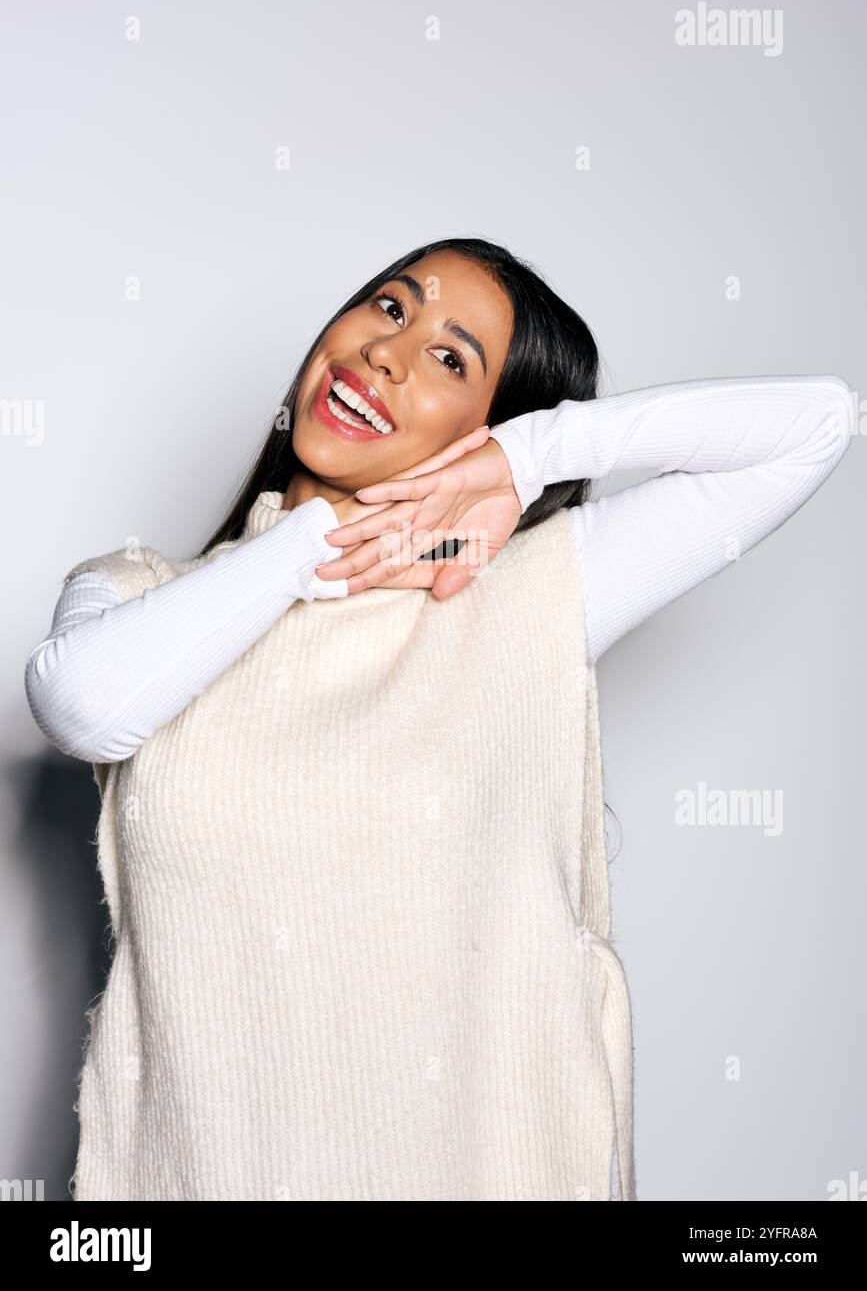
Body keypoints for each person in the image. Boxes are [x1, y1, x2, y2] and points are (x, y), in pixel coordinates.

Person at [24, 237, 853, 1201]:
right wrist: (315, 543)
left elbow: (816, 423)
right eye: (388, 308)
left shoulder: (526, 597)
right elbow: (84, 709)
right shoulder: (137, 597)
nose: (388, 352)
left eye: (450, 358)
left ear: (483, 428)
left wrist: (531, 456)